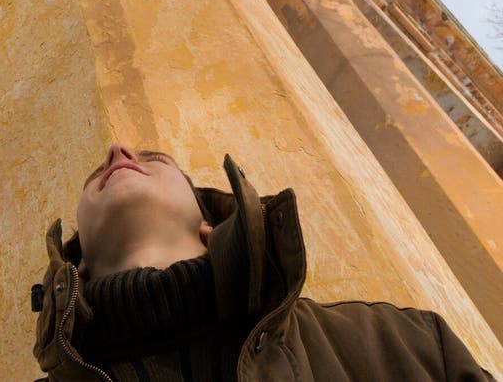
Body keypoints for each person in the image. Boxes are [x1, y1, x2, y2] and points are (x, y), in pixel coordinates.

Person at [32, 143, 497, 381]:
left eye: (154, 158)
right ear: (82, 267)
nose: (118, 150)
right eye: (101, 172)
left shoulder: (404, 344)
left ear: (209, 228)